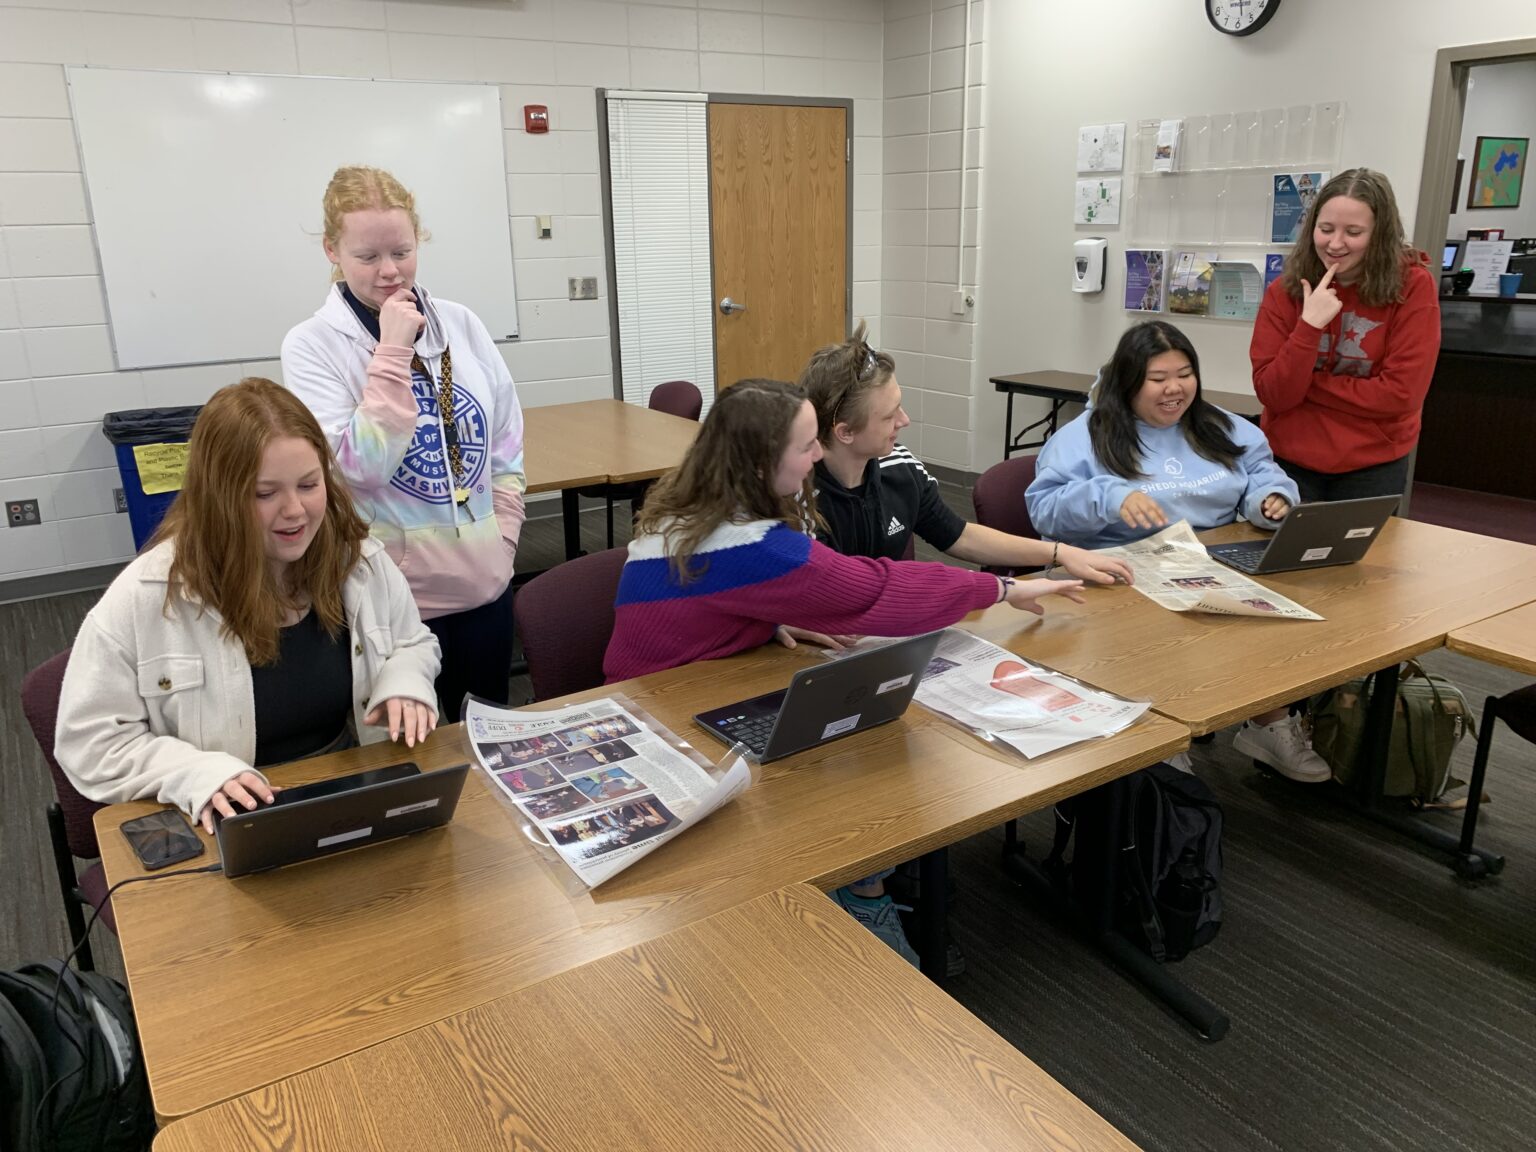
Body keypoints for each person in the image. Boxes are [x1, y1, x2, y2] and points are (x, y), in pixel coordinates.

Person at [604, 378, 1084, 964]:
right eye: (806, 446)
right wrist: (1002, 588)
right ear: (759, 462)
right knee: (858, 770)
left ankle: (870, 882)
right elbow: (873, 590)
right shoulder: (750, 546)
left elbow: (699, 601)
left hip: (680, 683)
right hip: (667, 726)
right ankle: (859, 898)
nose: (816, 458)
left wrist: (768, 618)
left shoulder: (692, 499)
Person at [55, 378, 441, 833]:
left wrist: (405, 682)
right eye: (265, 494)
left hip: (350, 792)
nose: (295, 510)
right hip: (224, 819)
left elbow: (414, 642)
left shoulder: (359, 562)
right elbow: (89, 742)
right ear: (218, 498)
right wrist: (193, 773)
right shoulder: (148, 594)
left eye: (309, 484)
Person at [1027, 321, 1330, 783]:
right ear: (1129, 382)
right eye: (1158, 378)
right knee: (1158, 636)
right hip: (1124, 569)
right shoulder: (1086, 435)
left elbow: (1260, 470)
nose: (1174, 389)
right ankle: (1159, 740)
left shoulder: (1215, 423)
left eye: (1184, 374)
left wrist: (1272, 500)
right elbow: (1043, 511)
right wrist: (1109, 496)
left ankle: (1269, 724)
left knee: (1281, 618)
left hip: (1213, 560)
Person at [281, 165, 526, 720]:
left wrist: (504, 541)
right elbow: (355, 470)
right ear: (331, 251)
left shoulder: (460, 325)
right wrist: (391, 351)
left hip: (484, 589)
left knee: (489, 737)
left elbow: (506, 442)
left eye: (403, 252)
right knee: (409, 760)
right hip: (388, 601)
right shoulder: (312, 345)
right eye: (368, 257)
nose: (390, 272)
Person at [797, 324, 1132, 620]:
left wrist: (1060, 552)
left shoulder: (898, 464)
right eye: (888, 416)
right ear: (845, 432)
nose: (904, 420)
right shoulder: (797, 496)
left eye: (899, 404)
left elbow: (958, 534)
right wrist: (998, 588)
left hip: (879, 625)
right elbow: (860, 590)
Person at [1250, 168, 1441, 502]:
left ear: (1379, 235)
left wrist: (1309, 384)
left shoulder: (1413, 286)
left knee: (1366, 556)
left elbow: (1401, 394)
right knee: (1281, 553)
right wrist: (1308, 328)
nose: (1335, 244)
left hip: (1373, 464)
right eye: (1326, 229)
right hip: (1289, 463)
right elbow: (1274, 393)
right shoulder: (1285, 291)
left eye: (1353, 232)